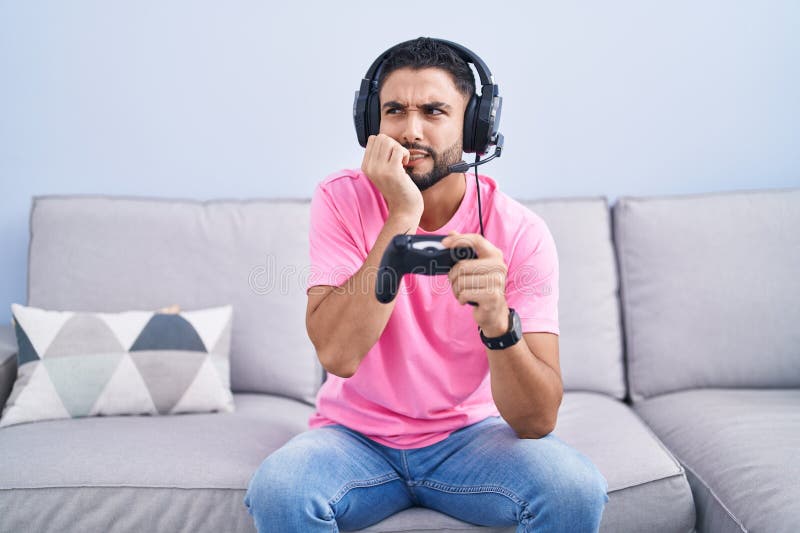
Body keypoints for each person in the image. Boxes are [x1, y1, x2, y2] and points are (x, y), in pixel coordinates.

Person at [244, 37, 609, 532]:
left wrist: (499, 322)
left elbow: (536, 421)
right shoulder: (341, 200)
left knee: (573, 490)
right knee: (280, 491)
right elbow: (337, 355)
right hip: (353, 438)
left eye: (434, 111)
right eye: (394, 110)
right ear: (372, 124)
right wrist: (403, 215)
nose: (410, 130)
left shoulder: (521, 231)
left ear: (475, 126)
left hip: (470, 437)